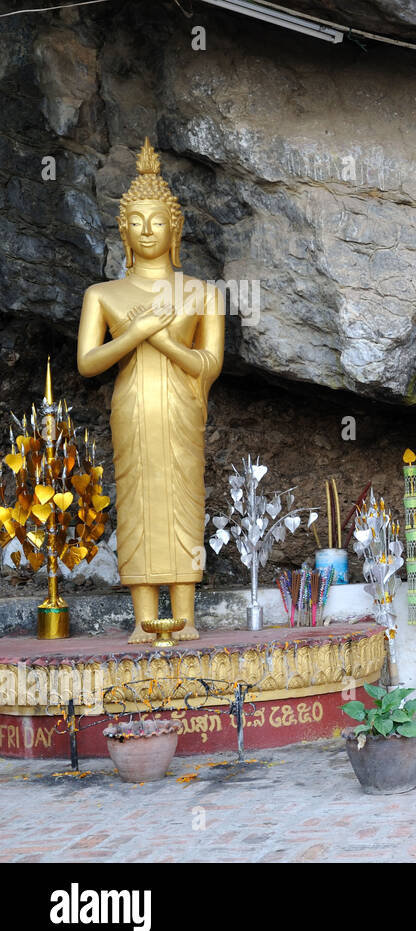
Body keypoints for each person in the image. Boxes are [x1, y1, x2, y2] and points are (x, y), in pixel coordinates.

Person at [76, 140, 224, 642]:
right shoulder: (103, 294)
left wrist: (159, 337)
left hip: (182, 409)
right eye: (136, 220)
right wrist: (136, 334)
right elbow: (88, 362)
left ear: (175, 228)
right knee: (138, 499)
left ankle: (185, 614)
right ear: (123, 229)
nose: (146, 229)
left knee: (183, 497)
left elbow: (210, 364)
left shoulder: (202, 292)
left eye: (156, 220)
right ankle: (144, 618)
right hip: (133, 407)